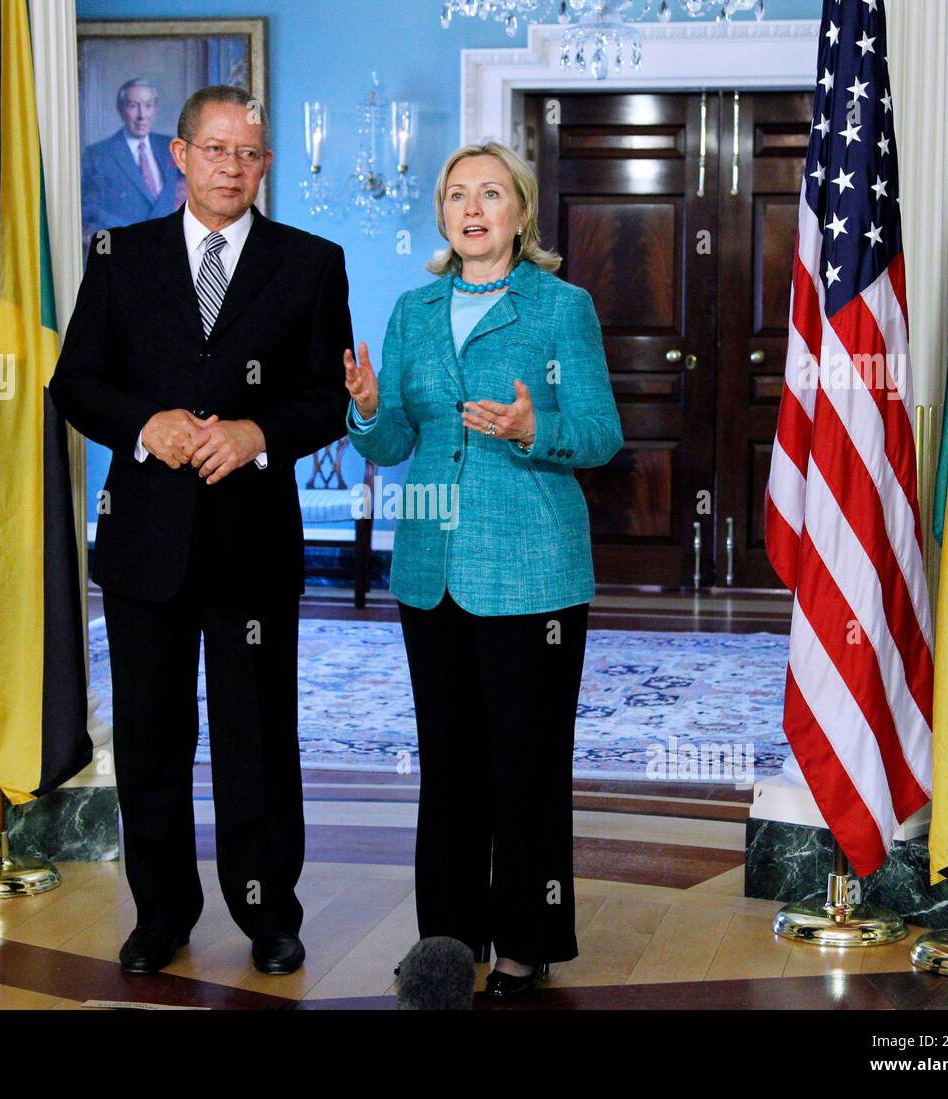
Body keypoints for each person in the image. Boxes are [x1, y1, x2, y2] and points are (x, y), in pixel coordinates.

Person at [52, 85, 353, 976]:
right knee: (151, 735)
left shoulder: (311, 261)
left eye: (249, 154)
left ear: (265, 164)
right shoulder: (119, 256)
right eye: (215, 150)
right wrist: (148, 424)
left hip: (254, 543)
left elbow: (326, 396)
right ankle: (162, 914)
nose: (233, 167)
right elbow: (78, 383)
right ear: (179, 156)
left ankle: (268, 914)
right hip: (147, 544)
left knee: (259, 735)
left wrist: (261, 434)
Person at [344, 141, 623, 999]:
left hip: (533, 573)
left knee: (526, 765)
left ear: (520, 212)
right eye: (457, 194)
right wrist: (362, 411)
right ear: (441, 214)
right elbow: (396, 442)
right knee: (450, 764)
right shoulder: (413, 309)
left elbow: (602, 435)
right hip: (431, 567)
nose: (472, 207)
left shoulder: (560, 307)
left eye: (491, 193)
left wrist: (533, 429)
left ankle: (525, 944)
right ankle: (448, 942)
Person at [81, 78, 181, 236]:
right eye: (133, 106)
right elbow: (89, 208)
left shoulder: (171, 146)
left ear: (155, 108)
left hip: (167, 247)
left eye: (148, 106)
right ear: (120, 109)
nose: (142, 115)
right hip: (125, 246)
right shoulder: (97, 155)